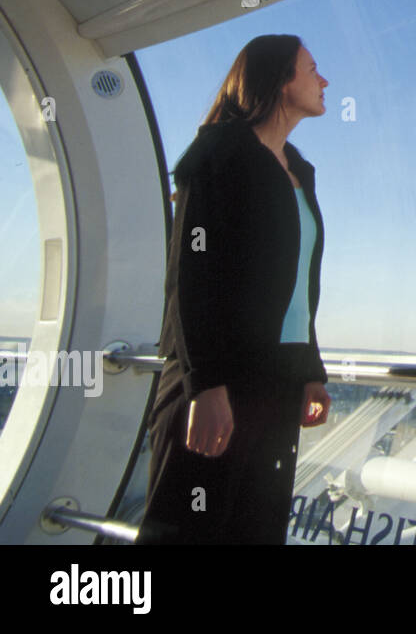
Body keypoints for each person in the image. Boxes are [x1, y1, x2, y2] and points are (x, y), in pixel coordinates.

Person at [136, 34, 332, 544]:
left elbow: (298, 286)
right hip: (218, 382)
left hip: (277, 383)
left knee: (256, 531)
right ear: (281, 80)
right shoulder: (220, 154)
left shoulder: (299, 172)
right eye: (313, 69)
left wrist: (309, 371)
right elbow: (191, 275)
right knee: (188, 530)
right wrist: (206, 386)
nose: (325, 80)